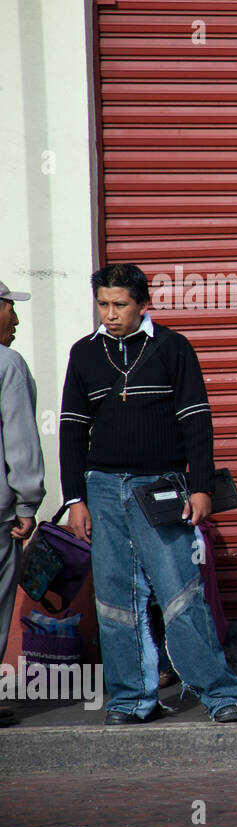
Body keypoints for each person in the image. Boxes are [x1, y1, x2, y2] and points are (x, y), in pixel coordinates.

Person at [59, 263, 237, 724]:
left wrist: (201, 486)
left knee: (181, 593)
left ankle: (222, 694)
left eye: (120, 304)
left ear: (143, 304)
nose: (110, 313)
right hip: (102, 490)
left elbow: (196, 421)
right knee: (114, 600)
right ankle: (131, 700)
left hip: (162, 487)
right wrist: (74, 499)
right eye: (103, 303)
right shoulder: (84, 353)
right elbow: (70, 431)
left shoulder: (172, 347)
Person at [0, 280, 44, 727]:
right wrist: (28, 503)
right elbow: (19, 439)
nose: (15, 319)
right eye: (10, 308)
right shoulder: (7, 364)